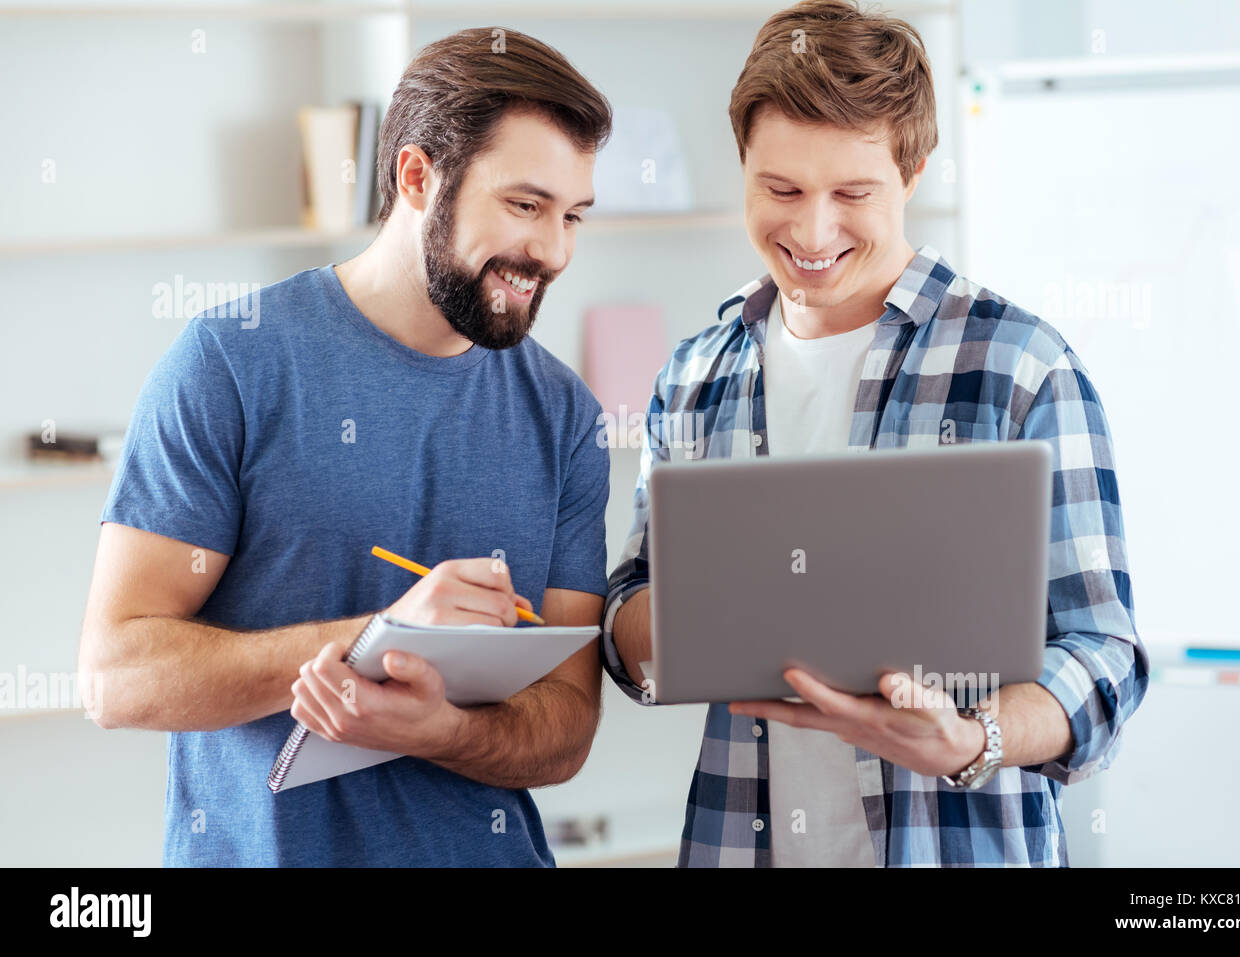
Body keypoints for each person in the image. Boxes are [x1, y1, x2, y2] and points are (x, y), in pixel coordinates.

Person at [601, 0, 1149, 867]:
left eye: (852, 194)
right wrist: (692, 622)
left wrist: (974, 737)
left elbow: (1107, 655)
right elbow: (628, 616)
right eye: (780, 190)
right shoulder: (695, 374)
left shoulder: (1022, 364)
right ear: (741, 160)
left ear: (915, 172)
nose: (812, 233)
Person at [78, 27, 613, 867]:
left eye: (572, 215)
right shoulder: (232, 362)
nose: (552, 250)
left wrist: (442, 729)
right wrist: (378, 637)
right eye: (524, 204)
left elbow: (567, 727)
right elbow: (116, 675)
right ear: (416, 175)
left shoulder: (567, 418)